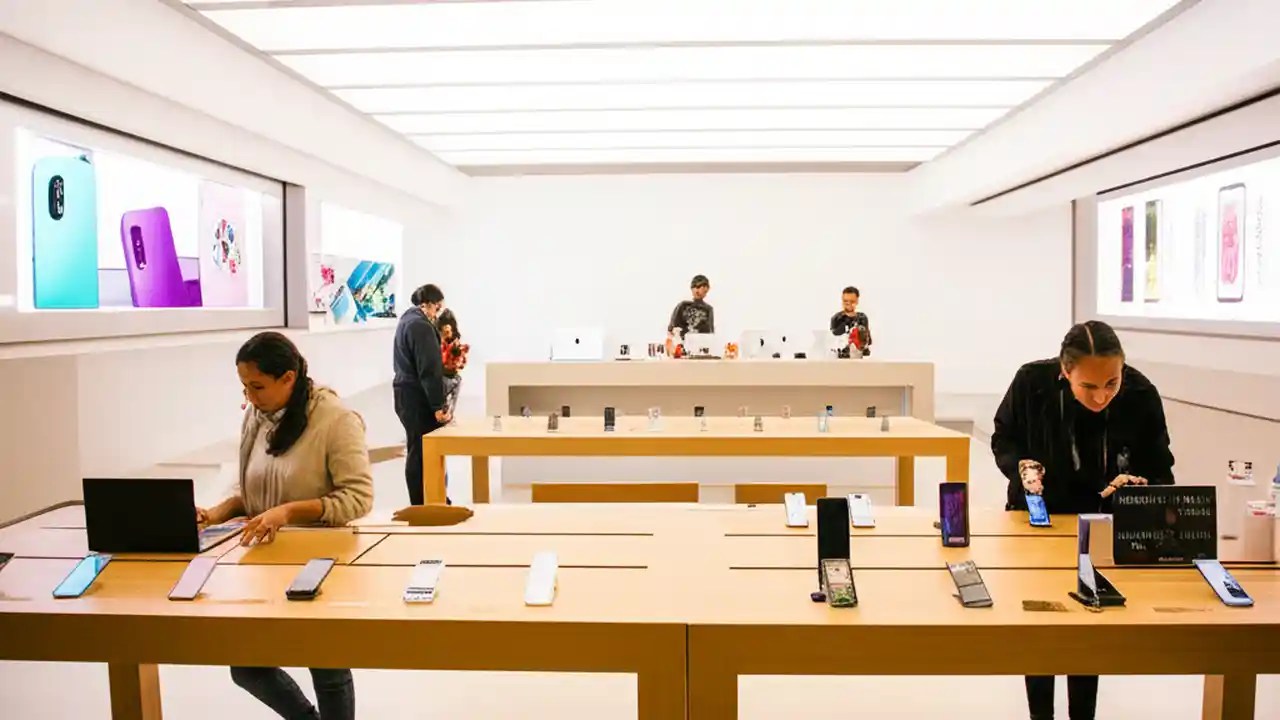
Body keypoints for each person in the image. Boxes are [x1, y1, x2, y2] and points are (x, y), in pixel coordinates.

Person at [991, 320, 1174, 720]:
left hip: (1101, 523)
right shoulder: (1031, 383)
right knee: (1039, 623)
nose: (1101, 396)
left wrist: (1139, 487)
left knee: (1090, 625)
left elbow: (1161, 466)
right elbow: (1004, 437)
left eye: (1112, 383)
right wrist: (1020, 467)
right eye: (1088, 386)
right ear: (1065, 370)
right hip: (1038, 521)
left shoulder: (1140, 393)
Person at [198, 331, 373, 720]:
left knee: (326, 668)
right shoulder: (256, 416)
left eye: (257, 386)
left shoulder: (336, 420)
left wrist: (290, 512)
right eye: (245, 387)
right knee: (247, 667)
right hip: (265, 562)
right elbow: (254, 487)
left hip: (319, 563)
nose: (249, 397)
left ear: (288, 378)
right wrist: (216, 513)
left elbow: (358, 498)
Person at [393, 283, 451, 505]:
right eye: (437, 308)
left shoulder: (406, 321)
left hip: (403, 394)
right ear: (428, 304)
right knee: (425, 451)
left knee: (416, 448)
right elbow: (429, 369)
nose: (437, 314)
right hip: (417, 398)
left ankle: (428, 500)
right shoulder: (421, 326)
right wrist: (437, 406)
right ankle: (426, 503)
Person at [829, 286, 872, 357]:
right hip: (840, 356)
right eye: (845, 301)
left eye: (852, 301)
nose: (848, 304)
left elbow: (867, 339)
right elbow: (832, 337)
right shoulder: (837, 318)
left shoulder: (862, 318)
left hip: (859, 355)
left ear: (857, 301)